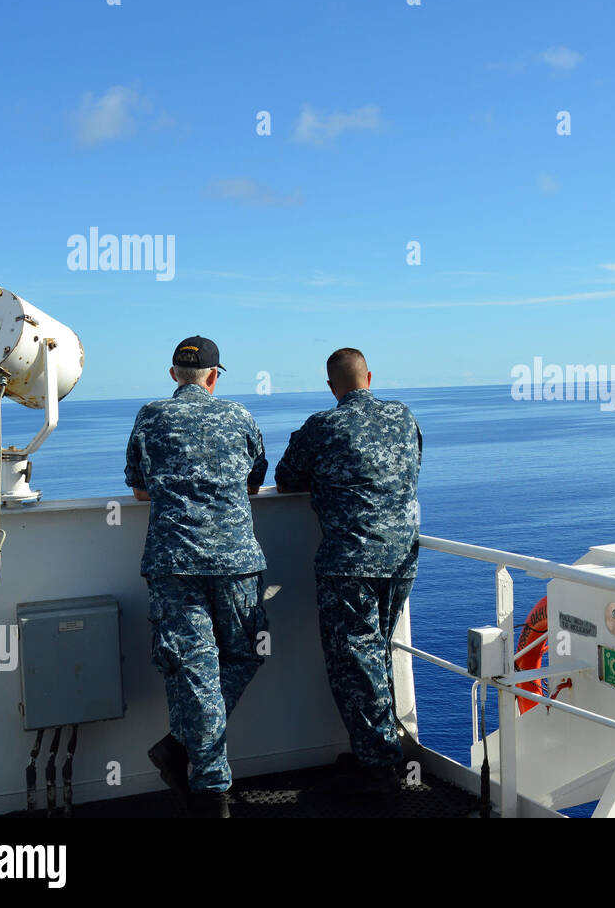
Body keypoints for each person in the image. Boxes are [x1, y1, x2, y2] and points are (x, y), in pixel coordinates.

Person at [124, 336, 269, 818]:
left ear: (173, 376)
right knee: (244, 656)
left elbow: (140, 490)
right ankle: (211, 792)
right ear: (213, 376)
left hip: (174, 564)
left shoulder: (150, 416)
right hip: (235, 563)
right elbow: (254, 481)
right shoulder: (239, 416)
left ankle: (180, 748)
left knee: (196, 672)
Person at [274, 347, 421, 795]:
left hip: (350, 563)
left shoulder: (323, 427)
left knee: (353, 662)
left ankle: (379, 768)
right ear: (369, 376)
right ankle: (377, 750)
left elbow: (285, 479)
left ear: (331, 386)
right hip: (401, 559)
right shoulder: (403, 415)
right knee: (373, 653)